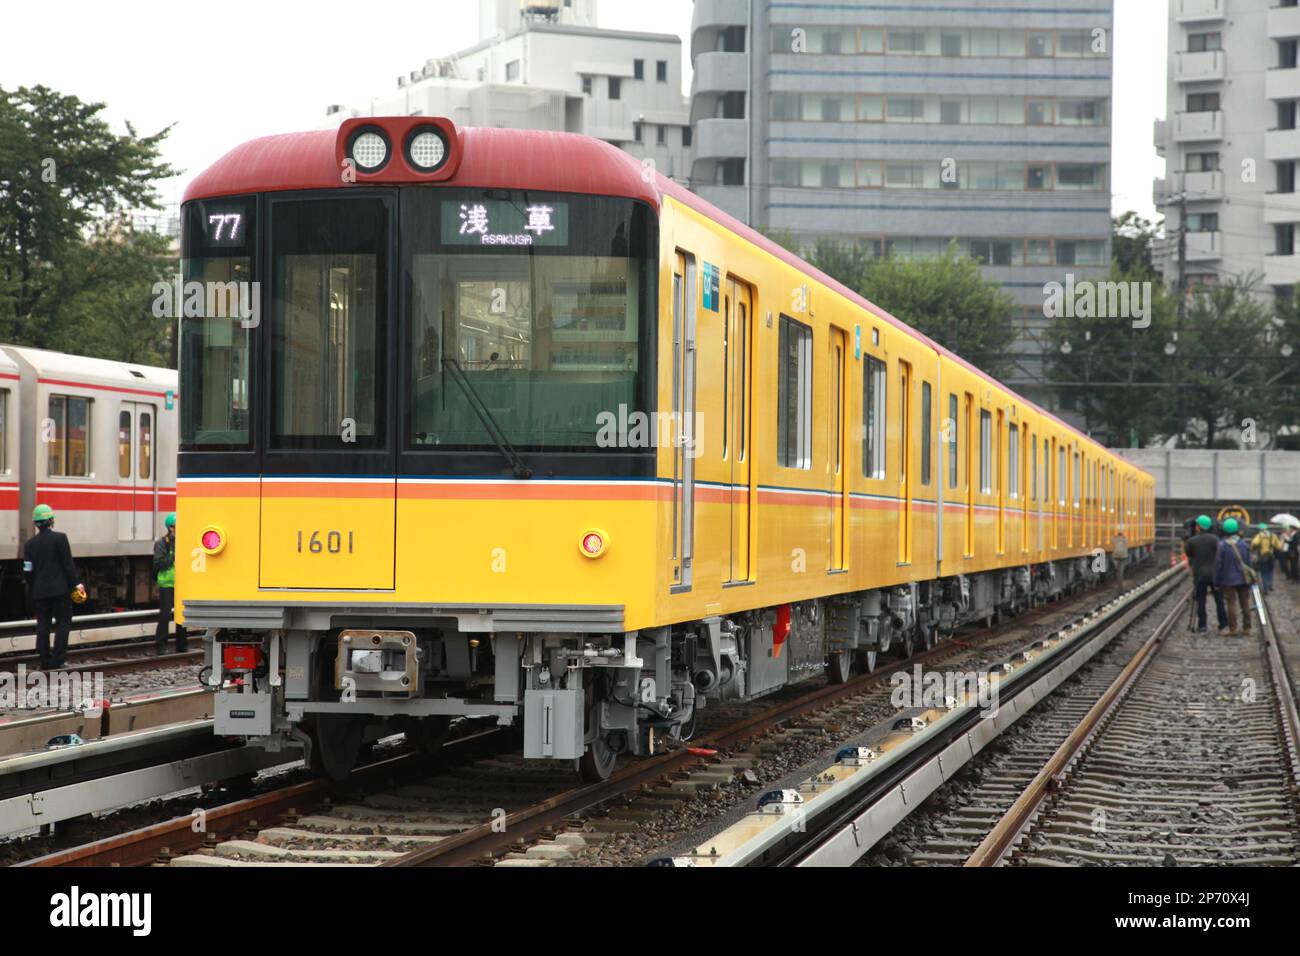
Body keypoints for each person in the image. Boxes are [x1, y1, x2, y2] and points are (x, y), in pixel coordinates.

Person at [22, 504, 85, 669]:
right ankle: (58, 660)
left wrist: (34, 585)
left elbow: (27, 571)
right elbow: (68, 566)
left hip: (40, 591)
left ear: (36, 524)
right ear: (51, 520)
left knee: (43, 624)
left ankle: (44, 661)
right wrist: (76, 584)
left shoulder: (29, 545)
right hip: (60, 590)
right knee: (63, 623)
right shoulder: (60, 538)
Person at [1184, 514, 1228, 633]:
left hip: (1200, 575)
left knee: (1201, 600)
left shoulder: (1192, 541)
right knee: (1219, 600)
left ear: (1199, 527)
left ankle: (1202, 625)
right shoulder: (1215, 539)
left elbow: (1189, 554)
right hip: (1215, 574)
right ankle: (1223, 623)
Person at [1213, 518, 1255, 636]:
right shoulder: (1243, 544)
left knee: (1231, 604)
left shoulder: (1222, 546)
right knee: (1245, 603)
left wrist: (1216, 581)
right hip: (1243, 578)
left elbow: (1218, 565)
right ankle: (1247, 628)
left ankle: (1233, 628)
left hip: (1228, 580)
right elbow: (1249, 562)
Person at [153, 513, 184, 654]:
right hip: (167, 584)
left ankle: (182, 646)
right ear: (170, 528)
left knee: (181, 616)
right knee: (165, 615)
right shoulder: (162, 543)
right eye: (177, 527)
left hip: (182, 583)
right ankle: (161, 646)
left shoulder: (184, 542)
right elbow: (158, 563)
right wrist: (173, 556)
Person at [1250, 522, 1281, 594]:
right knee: (1271, 571)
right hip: (1271, 556)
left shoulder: (1259, 536)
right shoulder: (1273, 536)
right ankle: (1270, 584)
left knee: (1264, 572)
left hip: (1263, 557)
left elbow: (1254, 543)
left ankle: (1266, 587)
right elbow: (1278, 546)